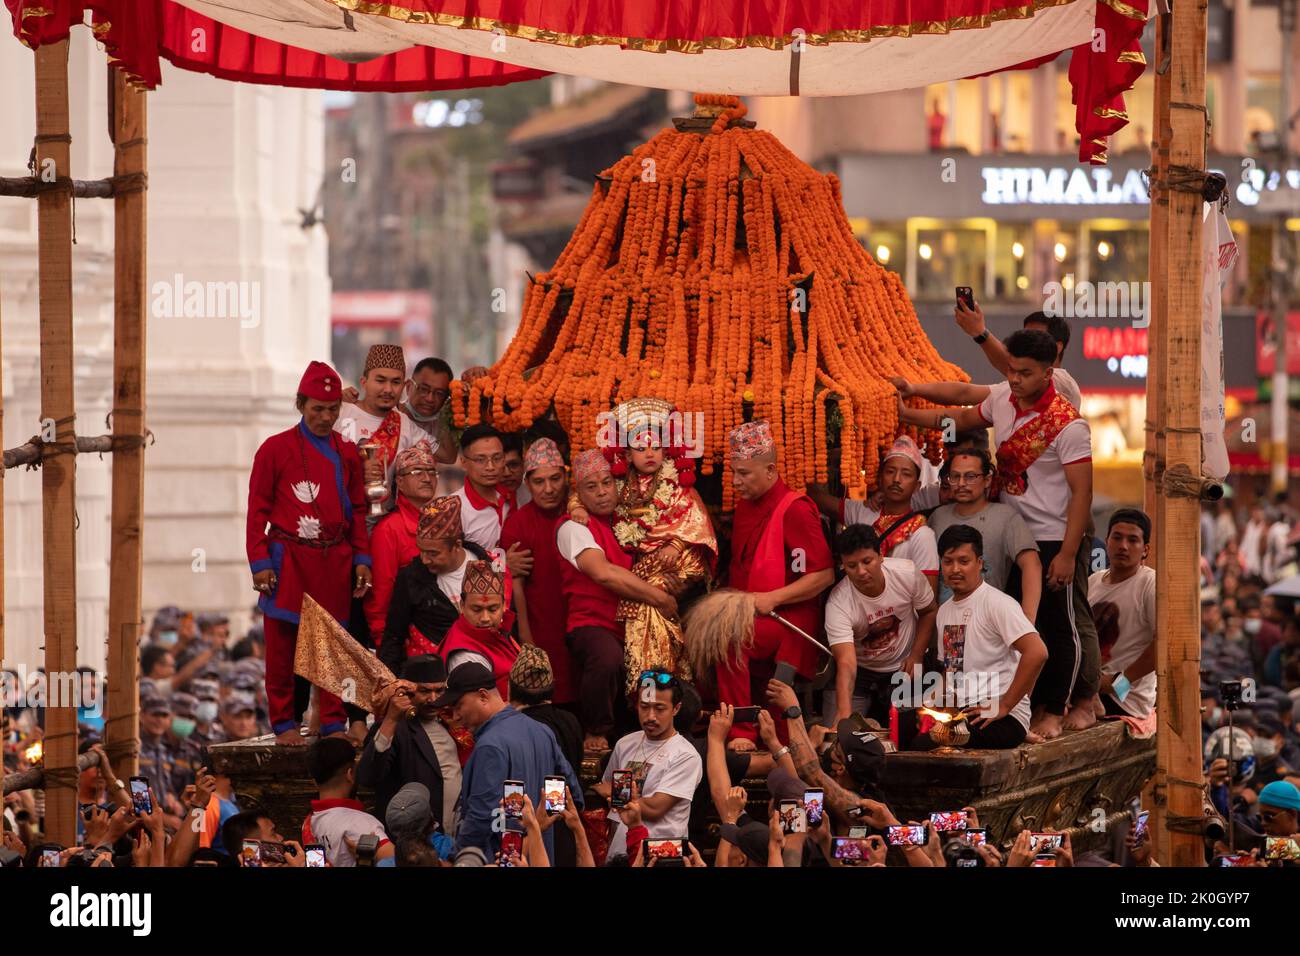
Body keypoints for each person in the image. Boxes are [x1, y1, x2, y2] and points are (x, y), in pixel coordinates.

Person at [900, 329, 1096, 740]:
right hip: (1014, 525)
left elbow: (1082, 495)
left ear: (1048, 374)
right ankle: (1013, 705)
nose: (1015, 380)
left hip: (1056, 536)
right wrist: (910, 409)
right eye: (1010, 371)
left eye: (1025, 373)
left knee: (1058, 625)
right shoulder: (1002, 401)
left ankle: (1056, 709)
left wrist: (1067, 551)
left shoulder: (1069, 426)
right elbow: (958, 413)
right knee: (1016, 627)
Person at [246, 360, 372, 744]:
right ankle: (284, 723)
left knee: (332, 644)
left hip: (335, 560)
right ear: (301, 404)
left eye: (332, 409)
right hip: (289, 558)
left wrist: (362, 559)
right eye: (317, 408)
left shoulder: (347, 452)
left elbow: (359, 510)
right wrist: (260, 562)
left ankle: (333, 723)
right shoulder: (274, 449)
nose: (325, 416)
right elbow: (257, 511)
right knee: (283, 646)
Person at [570, 398, 717, 687]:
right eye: (640, 448)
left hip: (677, 557)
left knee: (649, 599)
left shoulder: (677, 483)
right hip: (641, 566)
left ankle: (652, 681)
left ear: (666, 449)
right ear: (626, 453)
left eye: (656, 447)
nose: (649, 454)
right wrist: (575, 506)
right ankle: (663, 678)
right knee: (647, 603)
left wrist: (675, 546)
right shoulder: (619, 483)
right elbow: (587, 490)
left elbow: (696, 518)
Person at [719, 420, 834, 750]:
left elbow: (823, 576)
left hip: (789, 618)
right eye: (734, 473)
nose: (737, 482)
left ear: (770, 470)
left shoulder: (794, 509)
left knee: (728, 637)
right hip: (755, 611)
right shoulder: (744, 507)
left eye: (744, 473)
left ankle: (742, 731)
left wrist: (773, 597)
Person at [557, 449, 678, 754]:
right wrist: (660, 598)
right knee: (607, 659)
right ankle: (595, 730)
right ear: (578, 494)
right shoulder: (573, 528)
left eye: (606, 483)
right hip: (591, 623)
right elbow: (604, 573)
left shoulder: (626, 522)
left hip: (632, 625)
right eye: (591, 487)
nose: (601, 493)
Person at [439, 662, 582, 859]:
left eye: (458, 705)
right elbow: (573, 794)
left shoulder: (489, 745)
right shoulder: (542, 731)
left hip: (503, 860)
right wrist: (540, 826)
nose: (455, 716)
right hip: (542, 858)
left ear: (483, 696)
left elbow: (480, 817)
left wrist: (457, 858)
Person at [932, 525, 1048, 748]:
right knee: (910, 730)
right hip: (967, 713)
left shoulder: (997, 604)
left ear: (980, 563)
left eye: (963, 561)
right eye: (948, 562)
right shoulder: (945, 611)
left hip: (1003, 716)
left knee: (931, 743)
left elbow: (1037, 653)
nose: (955, 569)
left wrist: (1005, 705)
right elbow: (953, 668)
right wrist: (937, 708)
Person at [824, 524, 939, 725]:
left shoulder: (907, 573)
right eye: (851, 566)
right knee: (838, 733)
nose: (861, 571)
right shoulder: (838, 602)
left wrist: (917, 654)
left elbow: (929, 611)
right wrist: (843, 712)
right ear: (843, 565)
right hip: (860, 671)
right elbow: (846, 662)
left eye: (867, 561)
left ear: (880, 556)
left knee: (916, 732)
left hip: (904, 666)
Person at [379, 494, 499, 675]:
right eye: (421, 551)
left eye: (433, 553)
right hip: (434, 683)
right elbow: (393, 638)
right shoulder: (411, 577)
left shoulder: (489, 567)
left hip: (485, 676)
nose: (425, 560)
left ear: (457, 545)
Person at [596, 670, 703, 860]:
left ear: (676, 709)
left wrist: (613, 792)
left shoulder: (685, 755)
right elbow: (607, 798)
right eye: (644, 707)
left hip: (660, 855)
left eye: (659, 708)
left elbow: (655, 808)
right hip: (620, 852)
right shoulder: (625, 744)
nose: (650, 716)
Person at [499, 438, 574, 706]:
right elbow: (516, 586)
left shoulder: (578, 511)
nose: (549, 489)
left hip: (578, 615)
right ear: (527, 484)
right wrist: (526, 639)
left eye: (555, 479)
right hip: (541, 619)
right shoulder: (518, 523)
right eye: (539, 482)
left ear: (565, 478)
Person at [927, 445, 1041, 617]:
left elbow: (1032, 565)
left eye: (971, 476)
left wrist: (1026, 622)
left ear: (987, 480)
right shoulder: (937, 517)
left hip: (988, 627)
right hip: (942, 628)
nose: (961, 483)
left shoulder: (1005, 517)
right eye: (955, 476)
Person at [358, 655, 463, 833]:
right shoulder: (394, 727)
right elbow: (367, 776)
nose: (433, 698)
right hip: (414, 840)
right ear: (405, 691)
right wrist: (391, 719)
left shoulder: (451, 721)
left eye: (439, 691)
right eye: (424, 691)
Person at [365, 439, 440, 646]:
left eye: (432, 472)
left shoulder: (442, 521)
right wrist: (383, 641)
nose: (427, 478)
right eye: (417, 472)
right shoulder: (389, 529)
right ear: (400, 481)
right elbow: (380, 594)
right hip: (404, 637)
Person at [1087, 508, 1157, 719]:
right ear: (1107, 540)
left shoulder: (1150, 583)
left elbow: (1164, 644)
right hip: (1091, 687)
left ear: (1145, 549)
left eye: (1133, 540)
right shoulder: (1093, 581)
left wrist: (1118, 682)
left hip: (1126, 696)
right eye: (1117, 537)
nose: (1123, 546)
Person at [950, 305, 1082, 410]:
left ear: (1058, 347)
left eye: (1035, 337)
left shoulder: (1063, 383)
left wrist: (979, 332)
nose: (1025, 343)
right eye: (1025, 336)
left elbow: (965, 395)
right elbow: (965, 398)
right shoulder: (1018, 391)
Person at [334, 343, 424, 491]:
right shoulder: (338, 411)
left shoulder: (404, 423)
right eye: (380, 381)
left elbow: (448, 456)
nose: (388, 389)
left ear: (404, 385)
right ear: (364, 382)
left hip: (386, 513)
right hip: (340, 511)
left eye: (395, 382)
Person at [302, 737, 394, 866]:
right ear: (350, 774)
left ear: (315, 783)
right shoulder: (363, 825)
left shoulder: (309, 823)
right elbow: (398, 861)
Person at [438, 560, 520, 697]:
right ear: (462, 605)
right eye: (476, 609)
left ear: (504, 605)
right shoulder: (466, 657)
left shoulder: (498, 632)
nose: (485, 618)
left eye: (493, 609)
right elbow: (479, 708)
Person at [455, 423, 515, 551]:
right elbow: (450, 566)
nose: (490, 467)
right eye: (480, 460)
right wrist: (501, 564)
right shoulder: (455, 509)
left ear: (504, 459)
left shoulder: (513, 496)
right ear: (464, 463)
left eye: (497, 458)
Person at [401, 357, 458, 465]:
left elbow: (450, 458)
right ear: (408, 387)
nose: (430, 399)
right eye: (423, 389)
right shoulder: (392, 415)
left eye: (439, 393)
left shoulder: (445, 424)